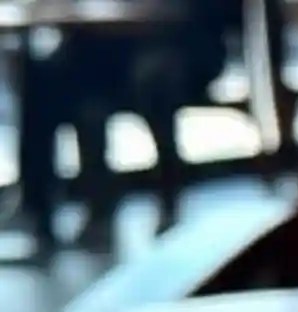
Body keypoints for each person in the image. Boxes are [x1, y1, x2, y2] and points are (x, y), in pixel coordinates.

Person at [18, 1, 240, 254]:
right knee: (42, 75)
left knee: (148, 78)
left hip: (178, 40)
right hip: (110, 42)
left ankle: (163, 193)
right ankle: (40, 217)